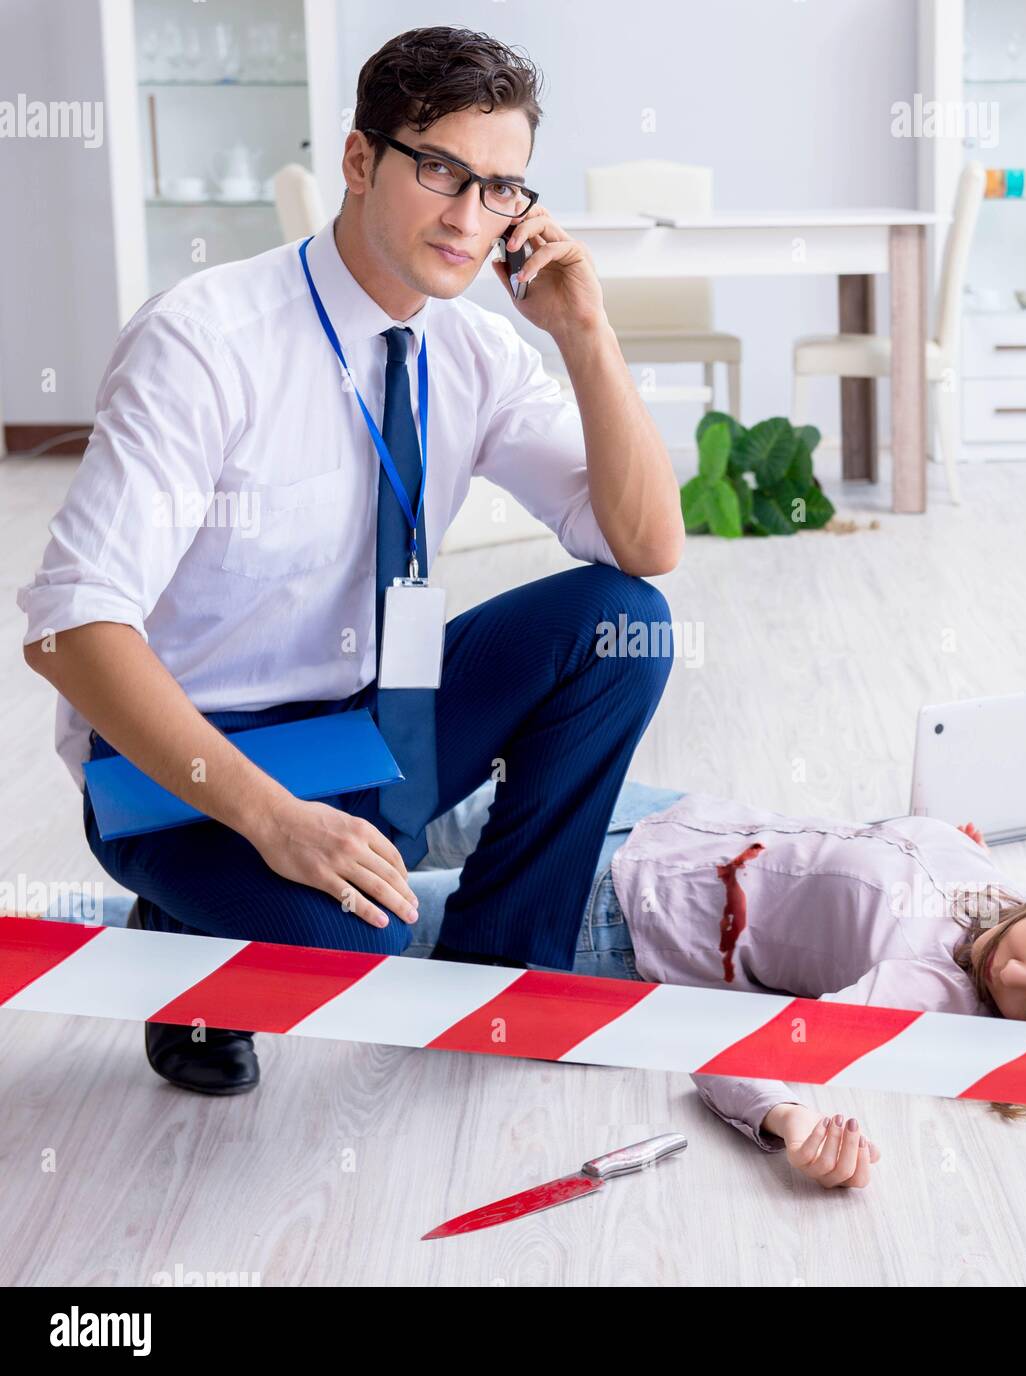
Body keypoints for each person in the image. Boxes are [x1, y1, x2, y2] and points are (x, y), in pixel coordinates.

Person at [16, 28, 683, 1096]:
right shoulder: (206, 340)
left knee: (624, 620)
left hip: (372, 728)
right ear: (361, 161)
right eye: (440, 171)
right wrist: (271, 817)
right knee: (354, 950)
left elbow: (647, 545)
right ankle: (184, 924)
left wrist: (587, 334)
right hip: (184, 764)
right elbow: (69, 628)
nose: (470, 218)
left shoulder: (475, 348)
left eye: (501, 187)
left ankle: (501, 976)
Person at [420, 779, 1026, 1192]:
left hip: (606, 920)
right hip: (647, 815)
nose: (1009, 970)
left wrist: (788, 1121)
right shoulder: (994, 889)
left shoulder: (927, 1000)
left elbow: (735, 1052)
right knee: (407, 795)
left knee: (358, 897)